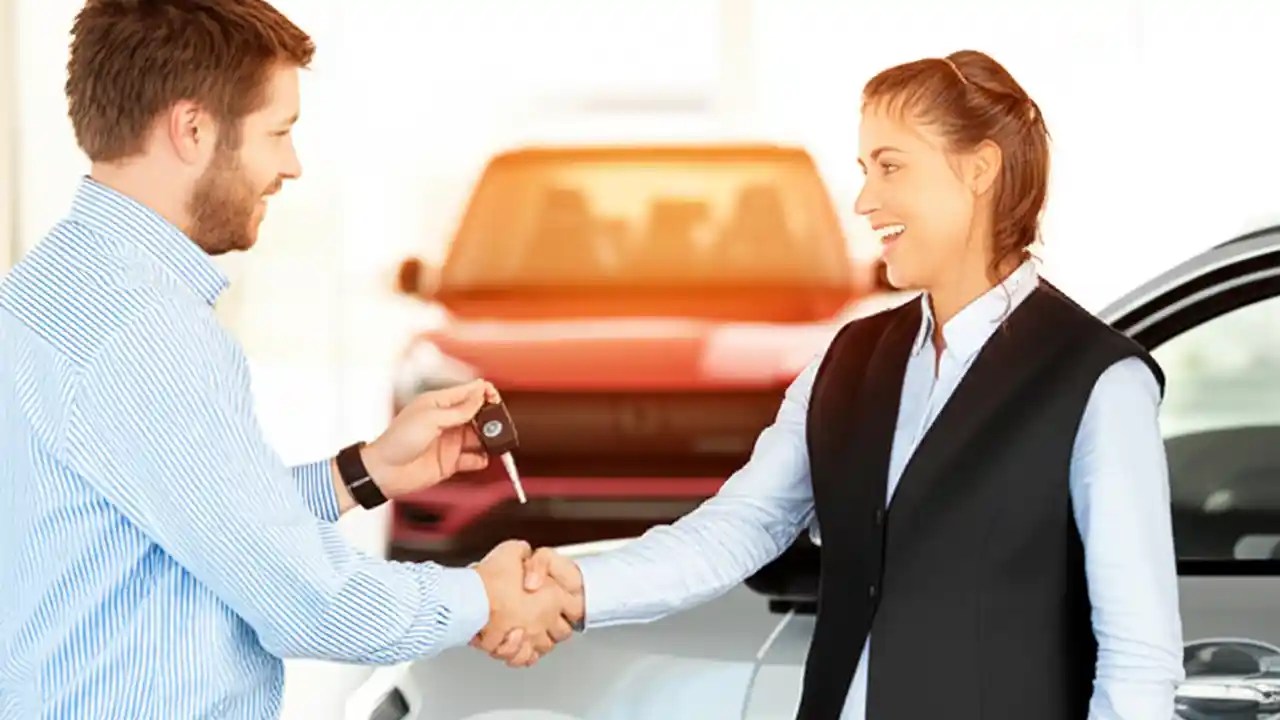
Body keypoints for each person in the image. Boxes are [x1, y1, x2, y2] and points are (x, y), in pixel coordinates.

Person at [485, 50, 1186, 719]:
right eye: (864, 169)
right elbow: (741, 527)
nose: (863, 200)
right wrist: (580, 589)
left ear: (979, 170)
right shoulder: (847, 360)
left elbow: (1139, 658)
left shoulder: (1099, 381)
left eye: (890, 167)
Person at [0, 2, 576, 717]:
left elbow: (190, 523)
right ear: (192, 129)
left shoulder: (49, 285)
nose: (292, 166)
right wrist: (480, 598)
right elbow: (306, 600)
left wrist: (361, 474)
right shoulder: (145, 332)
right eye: (279, 132)